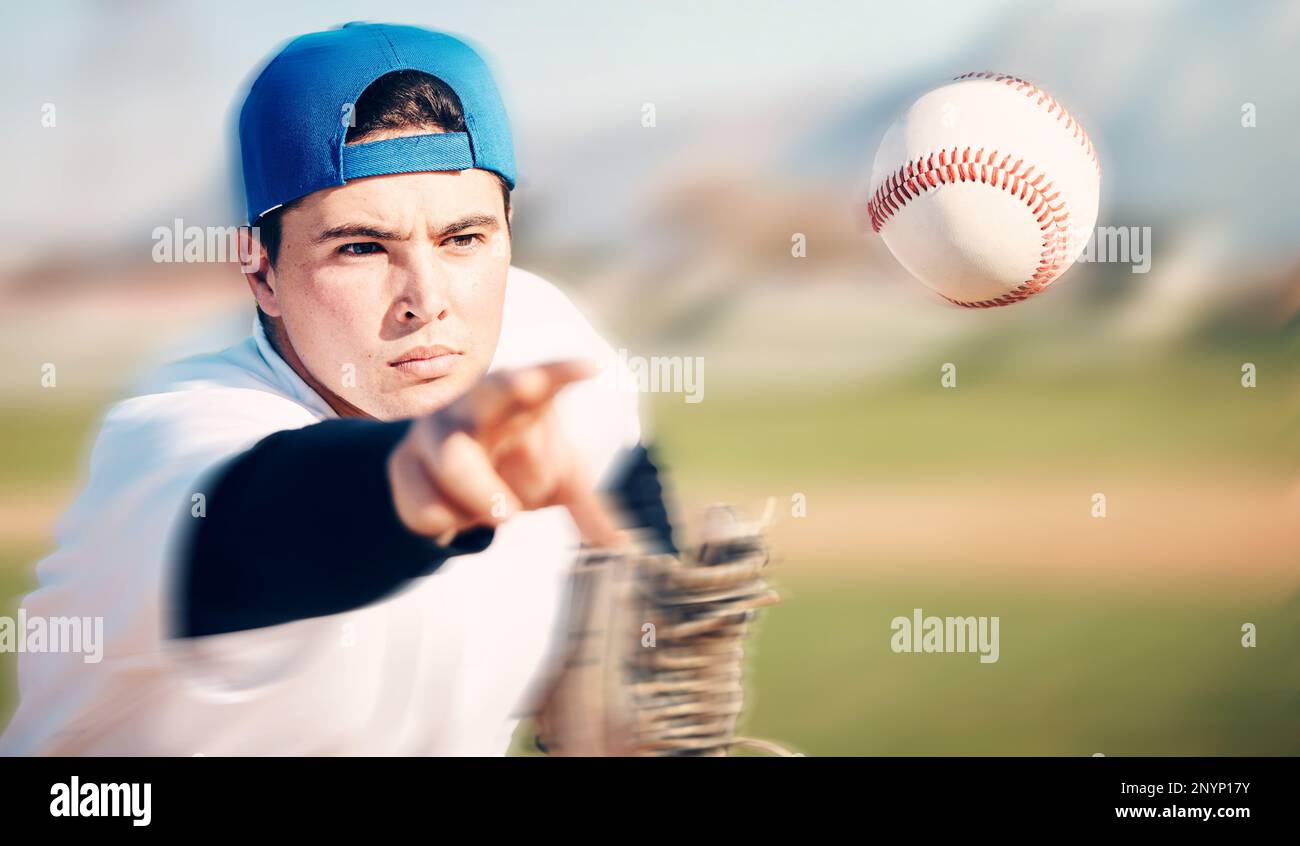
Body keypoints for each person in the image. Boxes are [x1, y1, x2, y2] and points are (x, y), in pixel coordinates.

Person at [0, 21, 674, 755]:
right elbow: (275, 518)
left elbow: (623, 477)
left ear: (508, 229)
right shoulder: (175, 441)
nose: (428, 298)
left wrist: (654, 601)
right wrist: (417, 480)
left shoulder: (546, 341)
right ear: (260, 270)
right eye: (360, 247)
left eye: (463, 239)